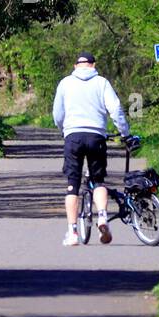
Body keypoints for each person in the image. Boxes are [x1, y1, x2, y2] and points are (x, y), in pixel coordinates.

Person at [52, 51, 131, 246]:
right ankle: (102, 217)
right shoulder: (101, 82)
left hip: (73, 137)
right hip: (96, 135)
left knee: (73, 185)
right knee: (98, 180)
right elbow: (115, 108)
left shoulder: (65, 83)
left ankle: (72, 233)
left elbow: (57, 114)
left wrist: (64, 130)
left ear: (75, 65)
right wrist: (125, 132)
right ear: (93, 65)